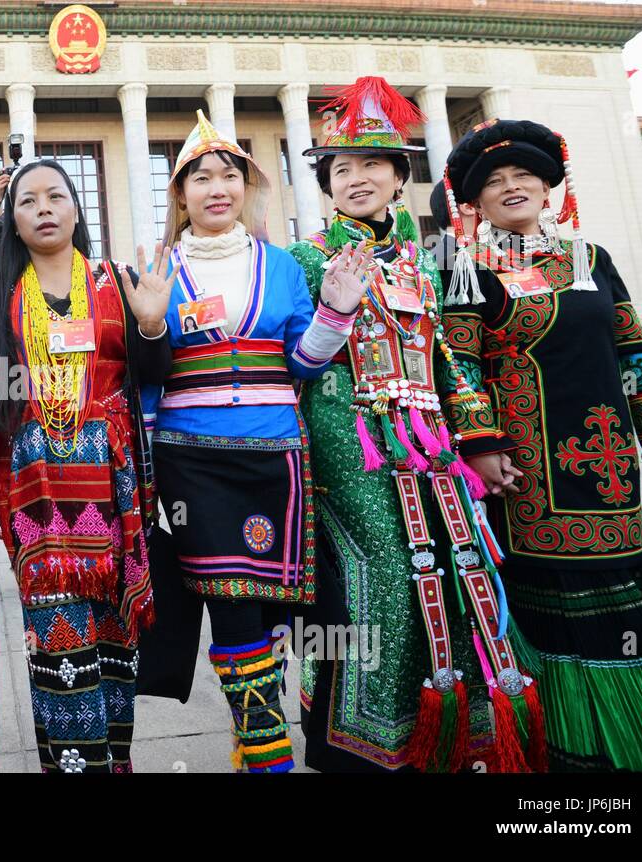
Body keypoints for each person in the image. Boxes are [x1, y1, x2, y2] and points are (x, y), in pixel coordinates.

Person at [288, 79, 543, 773]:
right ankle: (358, 742)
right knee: (389, 579)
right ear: (327, 189)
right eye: (341, 170)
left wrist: (480, 439)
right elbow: (302, 362)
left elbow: (447, 364)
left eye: (372, 165)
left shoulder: (425, 267)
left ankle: (456, 731)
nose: (357, 179)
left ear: (400, 176)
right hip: (354, 445)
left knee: (465, 573)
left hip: (432, 449)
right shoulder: (306, 258)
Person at [442, 118, 642, 771]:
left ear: (548, 188)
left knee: (626, 593)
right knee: (554, 600)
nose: (511, 186)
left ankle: (641, 739)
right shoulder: (465, 265)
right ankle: (568, 749)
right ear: (476, 202)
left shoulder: (592, 259)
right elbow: (457, 361)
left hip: (609, 468)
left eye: (523, 175)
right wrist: (480, 442)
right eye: (493, 182)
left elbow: (633, 346)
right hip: (528, 473)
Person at [143, 111, 361, 773]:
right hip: (193, 463)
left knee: (272, 609)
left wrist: (338, 310)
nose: (216, 187)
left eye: (229, 175)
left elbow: (303, 362)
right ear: (180, 195)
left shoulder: (281, 265)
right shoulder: (158, 269)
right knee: (231, 609)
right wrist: (150, 327)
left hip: (276, 456)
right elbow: (146, 382)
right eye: (201, 177)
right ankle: (270, 758)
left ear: (246, 187)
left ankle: (251, 746)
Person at [0, 158, 173, 772]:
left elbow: (155, 374)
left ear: (76, 208)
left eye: (55, 196)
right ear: (11, 219)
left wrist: (149, 324)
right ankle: (72, 764)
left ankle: (116, 761)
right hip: (33, 490)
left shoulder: (117, 281)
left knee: (114, 635)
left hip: (112, 489)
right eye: (27, 199)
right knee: (55, 636)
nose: (43, 207)